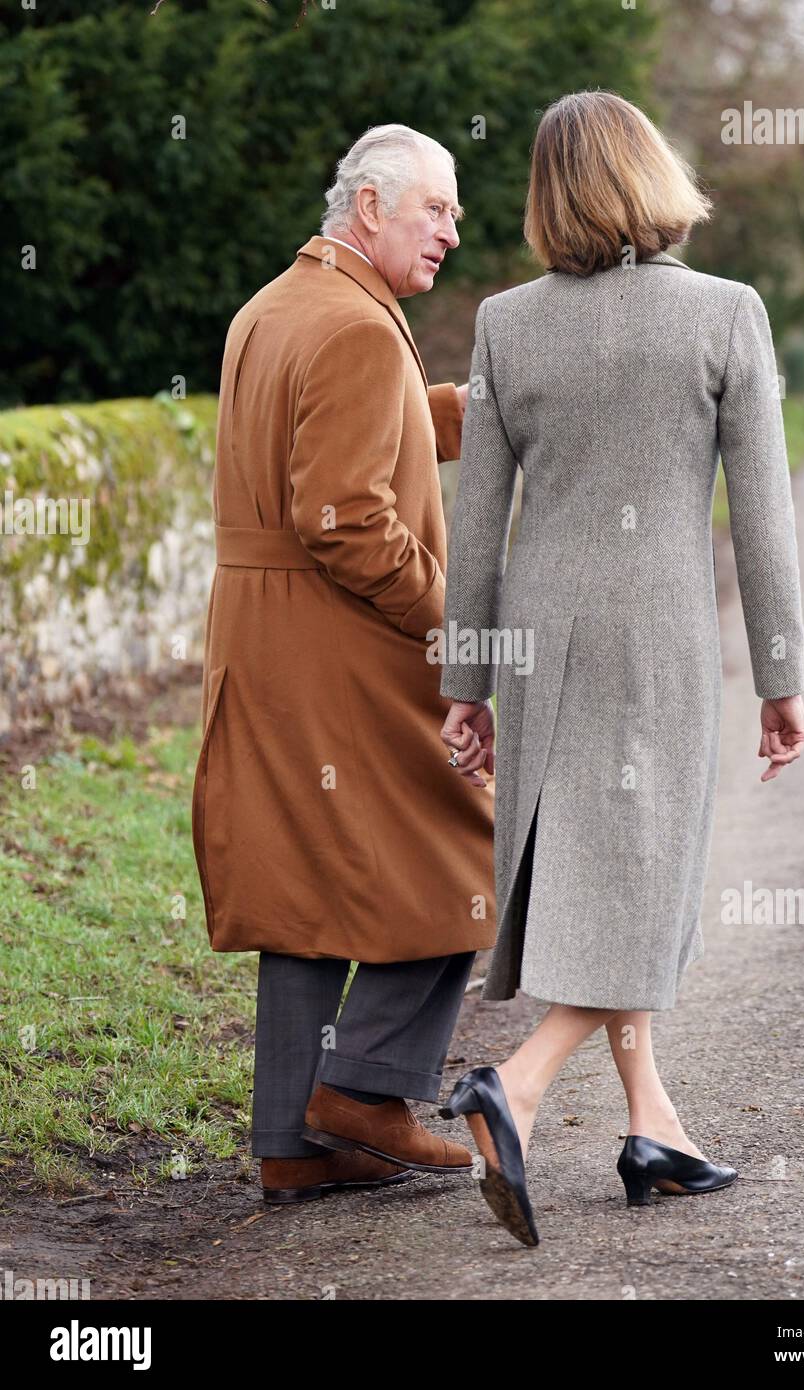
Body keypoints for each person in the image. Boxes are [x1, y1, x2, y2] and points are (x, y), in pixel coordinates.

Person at [437, 91, 804, 1246]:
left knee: (607, 878)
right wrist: (780, 674)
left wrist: (467, 683)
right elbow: (761, 512)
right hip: (655, 635)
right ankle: (522, 1083)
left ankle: (656, 1126)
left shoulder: (504, 324)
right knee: (641, 876)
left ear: (546, 196)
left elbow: (476, 518)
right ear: (649, 175)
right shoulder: (724, 314)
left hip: (541, 642)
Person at [191, 124, 497, 1206]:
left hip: (261, 634)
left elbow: (327, 438)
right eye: (436, 211)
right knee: (468, 841)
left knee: (302, 876)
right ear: (369, 206)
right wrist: (460, 622)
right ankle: (364, 1091)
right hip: (337, 639)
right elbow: (347, 517)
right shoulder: (360, 329)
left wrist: (456, 418)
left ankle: (292, 1142)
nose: (453, 232)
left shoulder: (275, 305)